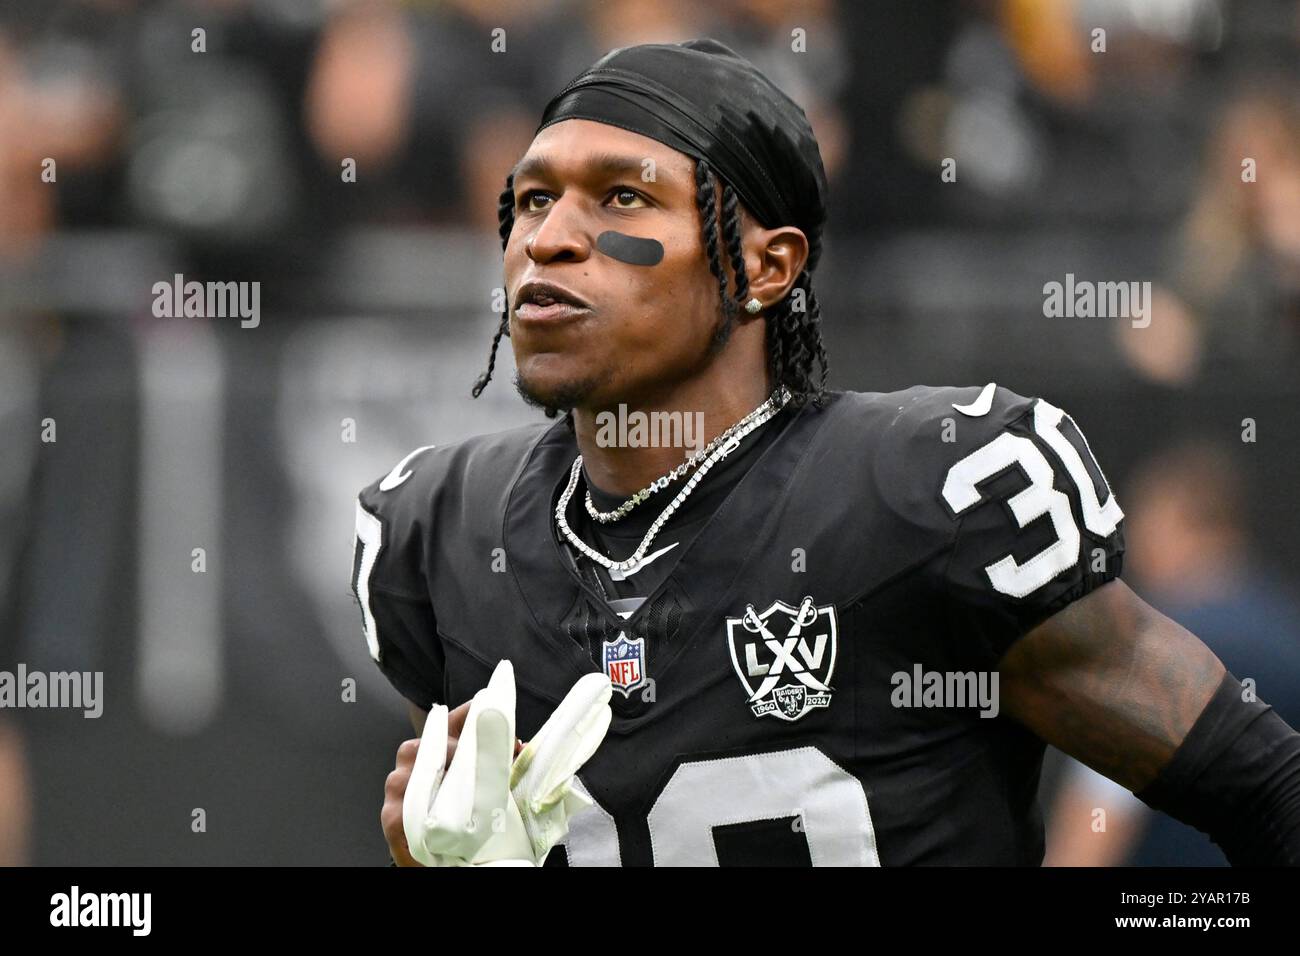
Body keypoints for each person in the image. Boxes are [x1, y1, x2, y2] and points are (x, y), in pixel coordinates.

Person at [353, 39, 1300, 866]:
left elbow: (1267, 793)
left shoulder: (925, 494)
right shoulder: (441, 535)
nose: (548, 240)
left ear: (767, 266)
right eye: (530, 200)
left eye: (624, 198)